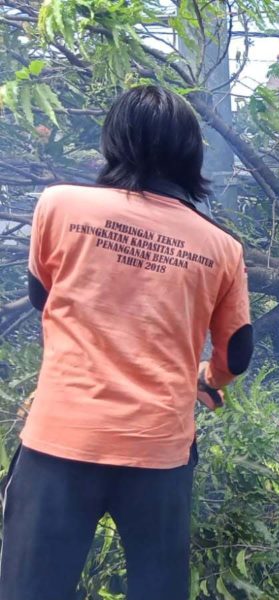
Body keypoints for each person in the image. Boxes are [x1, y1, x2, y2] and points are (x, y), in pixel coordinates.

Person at [0, 86, 254, 599]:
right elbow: (237, 353)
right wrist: (208, 378)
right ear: (191, 153)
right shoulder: (222, 247)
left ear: (114, 141)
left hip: (61, 439)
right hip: (158, 450)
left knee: (30, 589)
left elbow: (45, 298)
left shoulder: (59, 205)